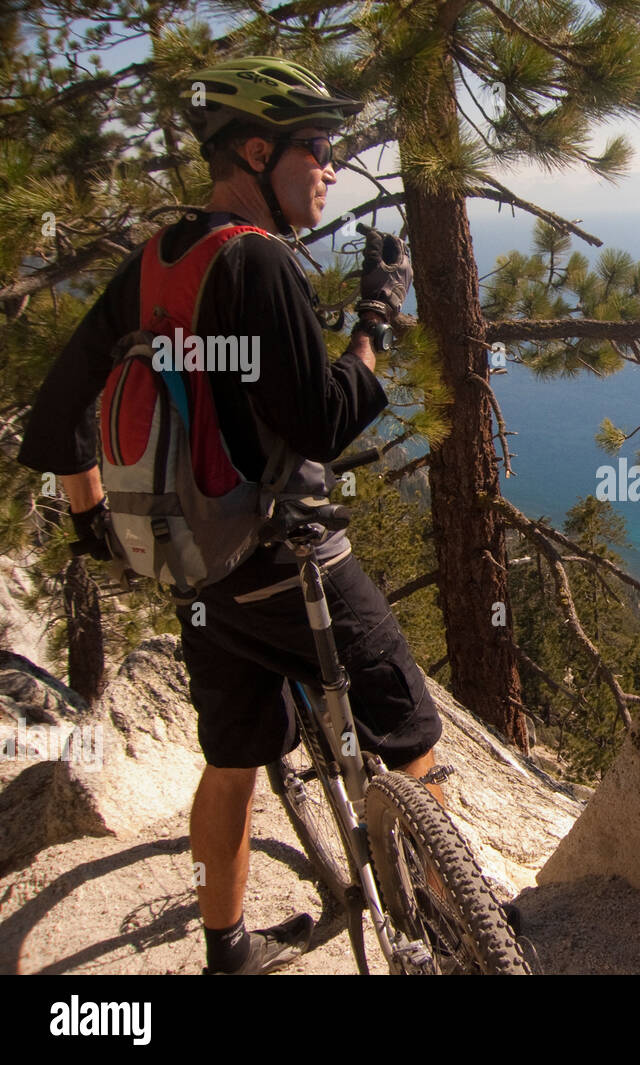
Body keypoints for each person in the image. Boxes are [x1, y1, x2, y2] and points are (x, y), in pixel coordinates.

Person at [16, 56, 448, 974]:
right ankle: (469, 932)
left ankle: (230, 949)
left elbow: (57, 423)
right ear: (259, 150)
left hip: (200, 572)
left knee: (233, 756)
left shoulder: (153, 264)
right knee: (411, 731)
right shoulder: (258, 261)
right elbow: (322, 421)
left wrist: (102, 529)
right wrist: (377, 319)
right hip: (294, 563)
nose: (331, 167)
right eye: (318, 149)